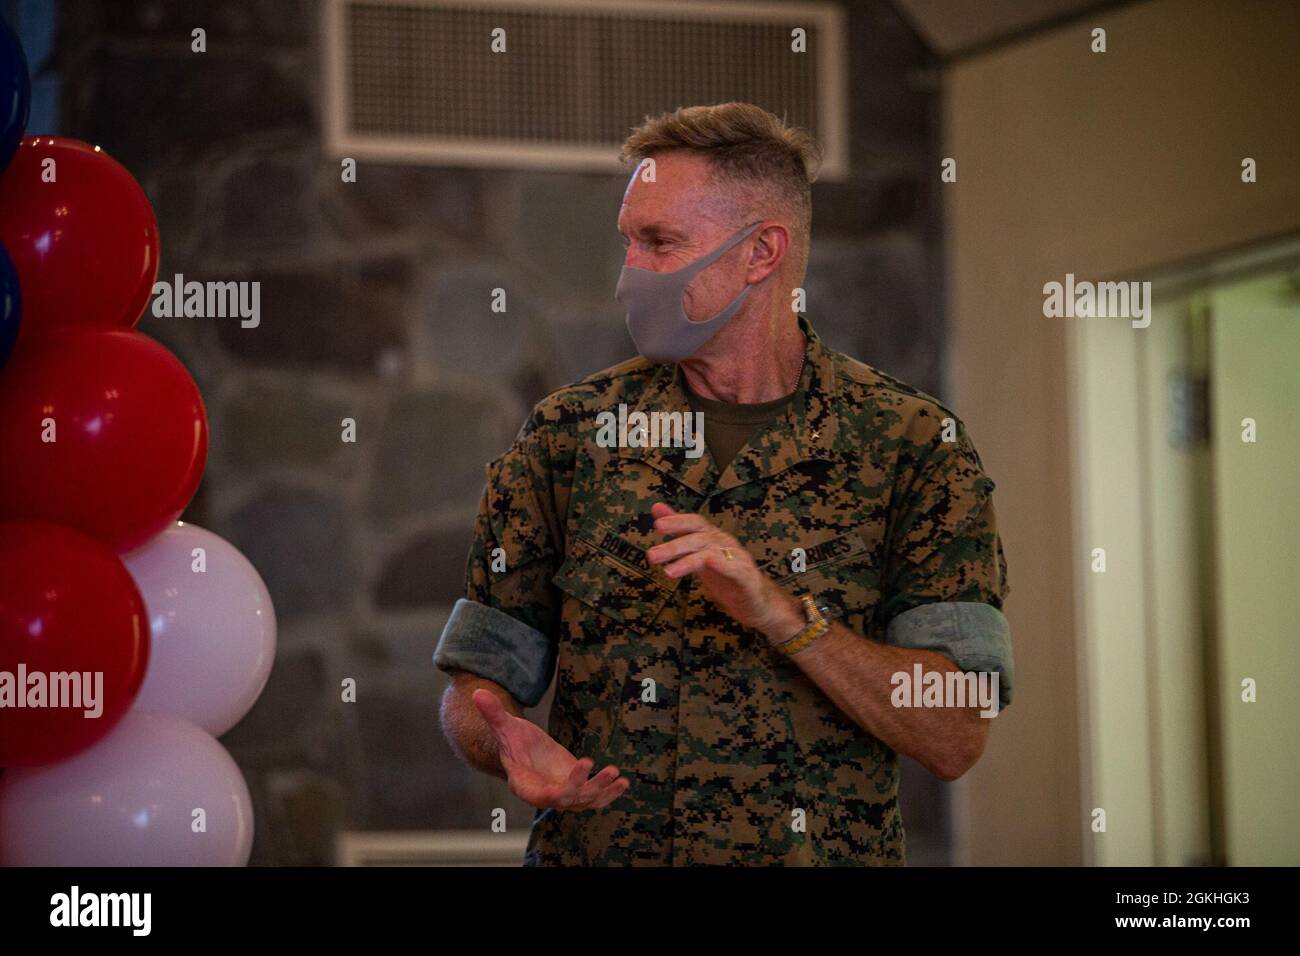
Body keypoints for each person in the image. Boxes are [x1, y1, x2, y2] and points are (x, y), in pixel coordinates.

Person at [435, 102, 1013, 865]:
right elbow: (476, 689)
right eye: (629, 243)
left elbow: (957, 730)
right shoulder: (568, 436)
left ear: (761, 251)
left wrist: (783, 616)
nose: (628, 277)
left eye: (661, 243)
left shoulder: (912, 446)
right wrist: (500, 737)